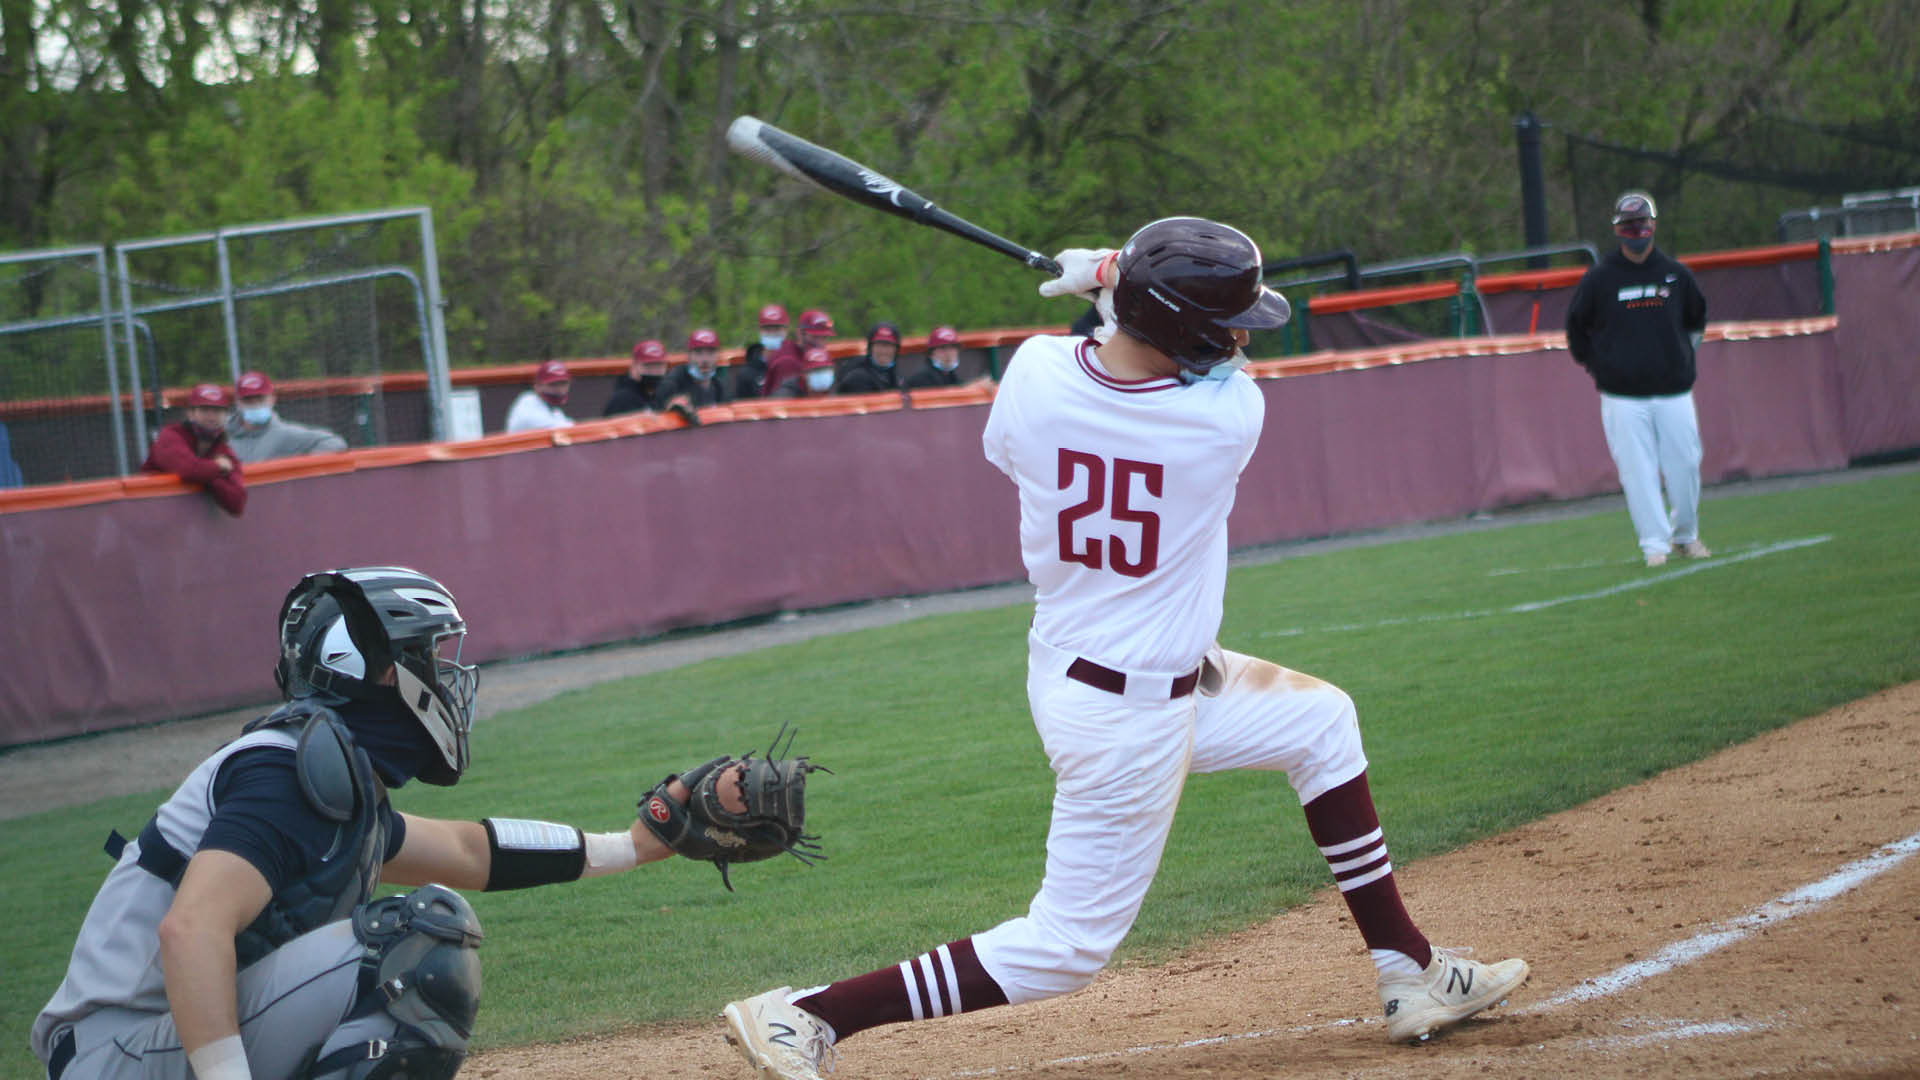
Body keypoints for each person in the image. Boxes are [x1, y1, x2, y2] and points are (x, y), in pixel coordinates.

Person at [721, 217, 1530, 1080]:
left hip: (1093, 668)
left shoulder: (1031, 373)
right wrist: (1107, 274)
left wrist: (1109, 287)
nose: (1235, 340)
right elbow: (1196, 365)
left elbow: (1061, 407)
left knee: (1322, 724)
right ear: (1186, 332)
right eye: (1225, 326)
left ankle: (1408, 971)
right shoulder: (1226, 421)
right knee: (1068, 948)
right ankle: (804, 1014)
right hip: (1127, 720)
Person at [31, 566, 751, 1080]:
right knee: (416, 940)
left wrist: (633, 845)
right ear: (374, 670)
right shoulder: (285, 773)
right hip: (118, 1053)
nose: (445, 677)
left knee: (420, 924)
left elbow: (469, 850)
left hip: (143, 1047)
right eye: (427, 656)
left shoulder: (330, 779)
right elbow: (188, 931)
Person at [1565, 190, 1711, 567]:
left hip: (1674, 392)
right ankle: (1654, 546)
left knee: (1686, 465)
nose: (1636, 231)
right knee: (1638, 473)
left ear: (1654, 225)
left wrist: (1678, 360)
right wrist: (1599, 366)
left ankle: (1686, 536)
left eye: (1642, 223)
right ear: (1617, 230)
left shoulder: (1676, 276)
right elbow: (1576, 329)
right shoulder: (1599, 280)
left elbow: (1696, 321)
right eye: (1628, 225)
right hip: (1622, 398)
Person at [141, 382, 246, 517]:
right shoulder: (171, 435)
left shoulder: (223, 449)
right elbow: (189, 470)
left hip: (185, 521)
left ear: (226, 415)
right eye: (204, 409)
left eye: (217, 410)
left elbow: (237, 503)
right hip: (149, 512)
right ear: (190, 413)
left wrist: (208, 477)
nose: (211, 416)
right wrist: (217, 468)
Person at [225, 372, 349, 463]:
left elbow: (335, 443)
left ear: (272, 400)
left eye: (260, 399)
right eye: (249, 401)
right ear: (238, 403)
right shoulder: (221, 436)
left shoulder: (284, 434)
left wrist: (300, 465)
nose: (255, 405)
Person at [651, 328, 733, 411]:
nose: (705, 359)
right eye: (698, 352)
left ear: (718, 355)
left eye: (710, 353)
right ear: (689, 355)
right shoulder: (672, 384)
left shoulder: (720, 386)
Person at [760, 309, 833, 397]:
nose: (820, 343)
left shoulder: (813, 357)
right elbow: (781, 404)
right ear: (799, 333)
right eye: (815, 337)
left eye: (824, 337)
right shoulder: (788, 362)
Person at [733, 304, 795, 401]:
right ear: (760, 330)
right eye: (768, 329)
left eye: (777, 328)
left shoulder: (795, 366)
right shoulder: (746, 374)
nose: (772, 333)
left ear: (786, 330)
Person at [604, 340, 671, 416]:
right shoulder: (622, 401)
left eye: (659, 366)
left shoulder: (664, 396)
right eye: (648, 366)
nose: (654, 371)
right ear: (634, 366)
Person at [505, 359, 575, 433]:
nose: (560, 390)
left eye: (563, 384)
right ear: (537, 386)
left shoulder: (551, 408)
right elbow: (569, 431)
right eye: (553, 384)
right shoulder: (528, 408)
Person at [832, 323, 902, 394]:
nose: (884, 350)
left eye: (889, 345)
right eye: (879, 345)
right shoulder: (858, 379)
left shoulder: (894, 376)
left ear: (896, 349)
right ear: (870, 348)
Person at [769, 347, 838, 398]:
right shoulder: (785, 395)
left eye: (825, 369)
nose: (821, 374)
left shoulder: (834, 391)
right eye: (816, 370)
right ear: (804, 374)